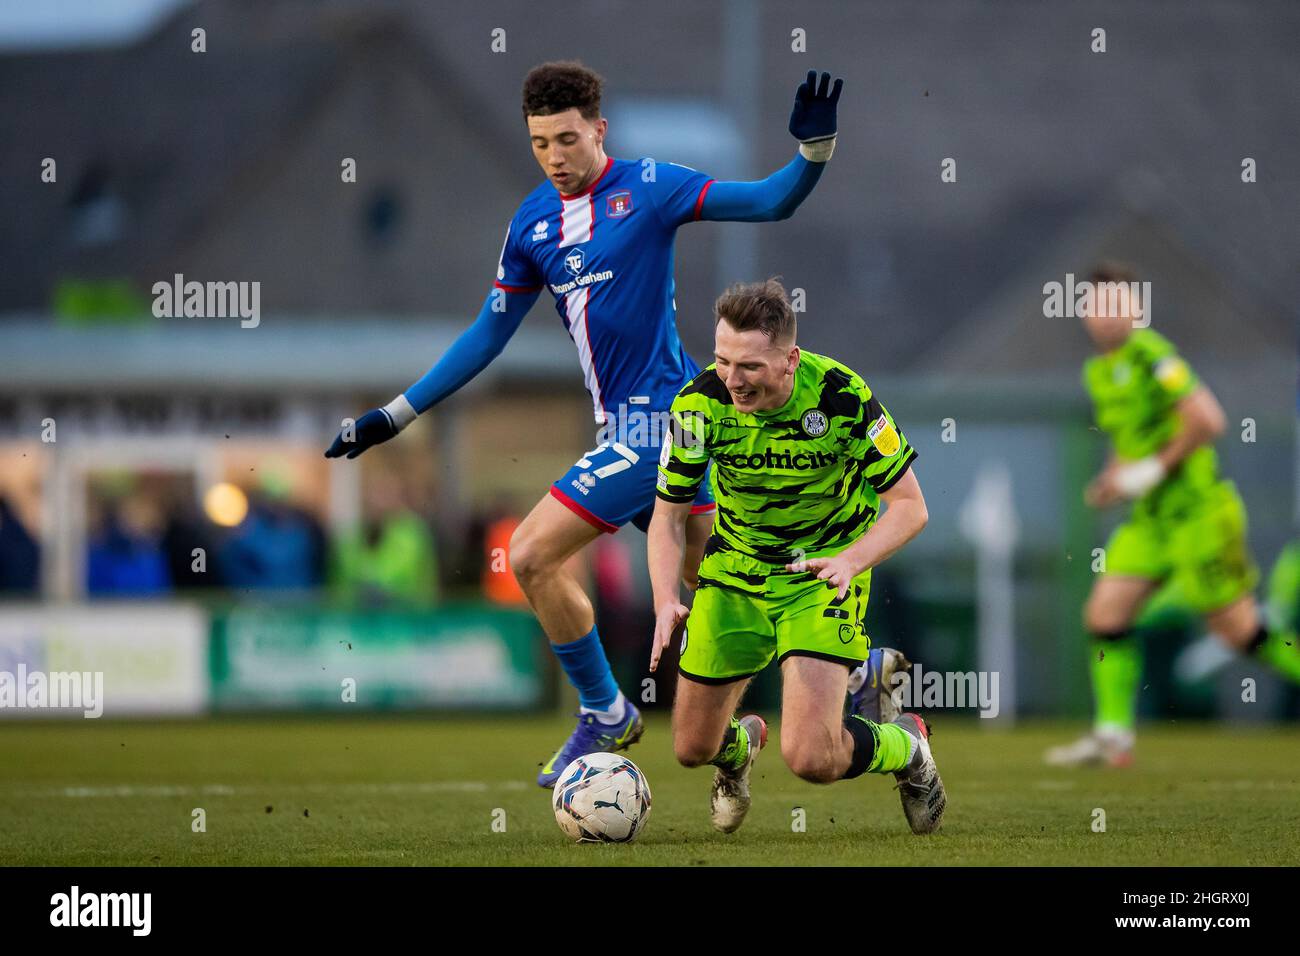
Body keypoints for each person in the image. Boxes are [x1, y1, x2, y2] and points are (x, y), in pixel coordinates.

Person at [325, 62, 906, 787]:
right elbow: (486, 336)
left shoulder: (652, 189)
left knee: (532, 554)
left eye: (568, 139)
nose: (555, 157)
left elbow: (770, 201)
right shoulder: (532, 224)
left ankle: (605, 710)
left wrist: (813, 151)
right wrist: (394, 414)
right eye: (540, 143)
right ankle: (833, 692)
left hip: (662, 425)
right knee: (729, 594)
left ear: (599, 129)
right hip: (633, 436)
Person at [648, 279, 944, 835]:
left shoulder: (842, 396)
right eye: (722, 360)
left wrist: (853, 561)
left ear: (790, 360)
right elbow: (668, 516)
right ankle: (740, 749)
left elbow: (910, 508)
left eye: (750, 367)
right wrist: (666, 598)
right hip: (735, 571)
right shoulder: (698, 403)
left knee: (811, 759)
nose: (732, 380)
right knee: (691, 748)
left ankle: (907, 746)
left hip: (820, 573)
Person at [1046, 262, 1300, 767]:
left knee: (1241, 632)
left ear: (1136, 311)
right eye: (1097, 305)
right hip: (1150, 522)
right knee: (1104, 614)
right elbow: (1129, 441)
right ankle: (1113, 736)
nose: (1106, 315)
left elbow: (1209, 420)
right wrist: (1115, 479)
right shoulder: (1098, 372)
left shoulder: (1153, 356)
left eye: (1118, 304)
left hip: (1199, 514)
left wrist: (1154, 470)